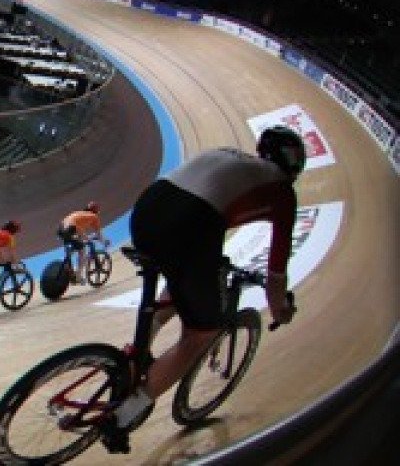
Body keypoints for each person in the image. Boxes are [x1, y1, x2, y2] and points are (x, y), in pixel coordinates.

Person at [102, 126, 305, 450]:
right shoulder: (282, 192)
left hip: (147, 209)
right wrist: (280, 309)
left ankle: (132, 358)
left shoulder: (228, 155)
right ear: (293, 164)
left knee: (180, 282)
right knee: (200, 334)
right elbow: (276, 272)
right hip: (191, 225)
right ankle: (122, 418)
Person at [57, 201, 109, 284]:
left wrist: (87, 238)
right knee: (82, 251)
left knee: (77, 244)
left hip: (61, 229)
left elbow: (79, 231)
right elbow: (99, 234)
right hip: (70, 229)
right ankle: (78, 277)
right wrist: (104, 241)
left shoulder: (80, 214)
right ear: (96, 211)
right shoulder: (94, 216)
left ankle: (67, 264)